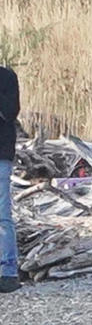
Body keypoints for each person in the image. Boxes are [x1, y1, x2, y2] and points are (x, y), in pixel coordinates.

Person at [0, 66, 20, 292]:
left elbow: (10, 112)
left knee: (2, 216)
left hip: (1, 154)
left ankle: (8, 271)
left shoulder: (6, 77)